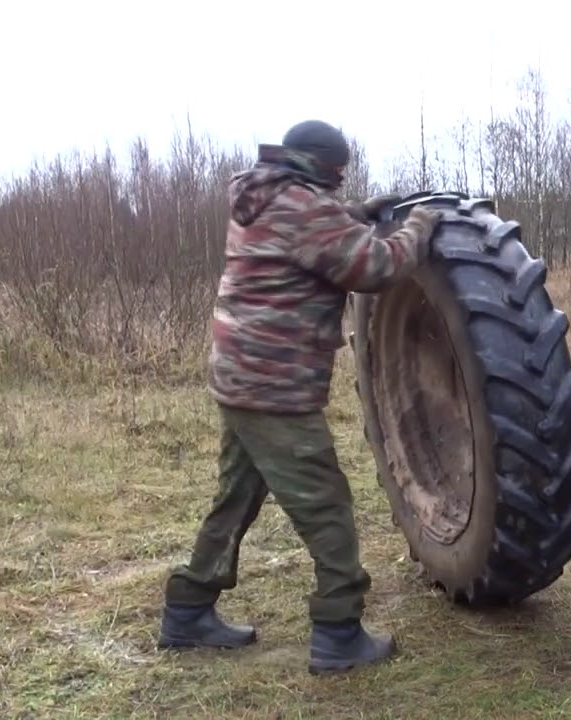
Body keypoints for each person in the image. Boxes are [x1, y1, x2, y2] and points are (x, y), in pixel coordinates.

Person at [156, 119, 443, 675]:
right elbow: (372, 266)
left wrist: (357, 213)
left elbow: (311, 236)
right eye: (339, 173)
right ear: (324, 166)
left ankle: (188, 609)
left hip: (241, 377)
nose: (340, 182)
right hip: (273, 386)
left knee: (236, 497)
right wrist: (420, 228)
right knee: (326, 504)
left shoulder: (265, 195)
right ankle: (338, 633)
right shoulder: (302, 207)